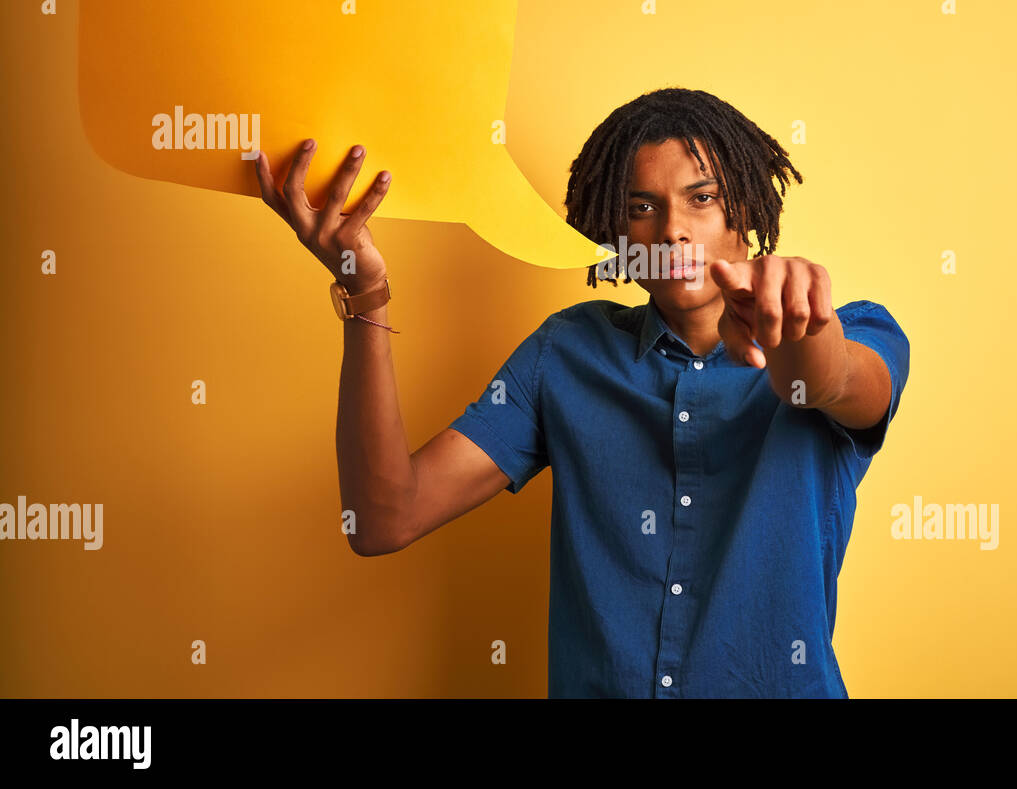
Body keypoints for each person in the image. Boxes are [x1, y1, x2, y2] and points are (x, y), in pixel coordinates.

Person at [253, 87, 909, 698]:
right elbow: (381, 519)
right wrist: (365, 296)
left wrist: (795, 322)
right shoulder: (565, 354)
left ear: (747, 209)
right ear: (617, 234)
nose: (672, 229)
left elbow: (825, 380)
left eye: (701, 198)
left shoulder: (857, 333)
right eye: (641, 207)